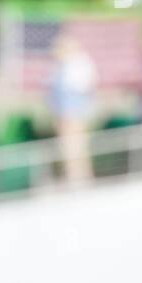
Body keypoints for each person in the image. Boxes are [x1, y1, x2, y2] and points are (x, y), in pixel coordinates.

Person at [47, 35, 98, 184]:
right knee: (72, 146)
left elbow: (79, 90)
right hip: (67, 112)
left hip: (72, 113)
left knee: (74, 146)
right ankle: (76, 176)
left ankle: (78, 177)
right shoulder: (66, 65)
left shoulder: (76, 65)